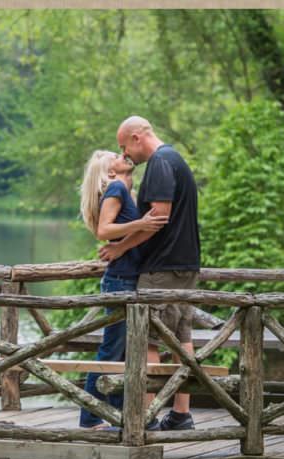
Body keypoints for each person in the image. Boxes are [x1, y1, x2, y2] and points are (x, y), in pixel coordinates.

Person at [99, 116, 201, 431]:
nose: (124, 154)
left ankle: (146, 417)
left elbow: (157, 219)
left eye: (123, 146)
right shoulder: (175, 159)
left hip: (162, 265)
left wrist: (121, 248)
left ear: (136, 137)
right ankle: (181, 415)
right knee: (181, 339)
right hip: (187, 263)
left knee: (147, 341)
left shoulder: (159, 163)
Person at [78, 149, 168, 430]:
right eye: (115, 155)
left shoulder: (124, 190)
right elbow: (103, 231)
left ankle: (117, 415)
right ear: (111, 171)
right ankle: (90, 419)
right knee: (111, 351)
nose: (122, 154)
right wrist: (141, 223)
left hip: (126, 278)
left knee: (123, 352)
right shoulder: (116, 188)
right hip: (120, 280)